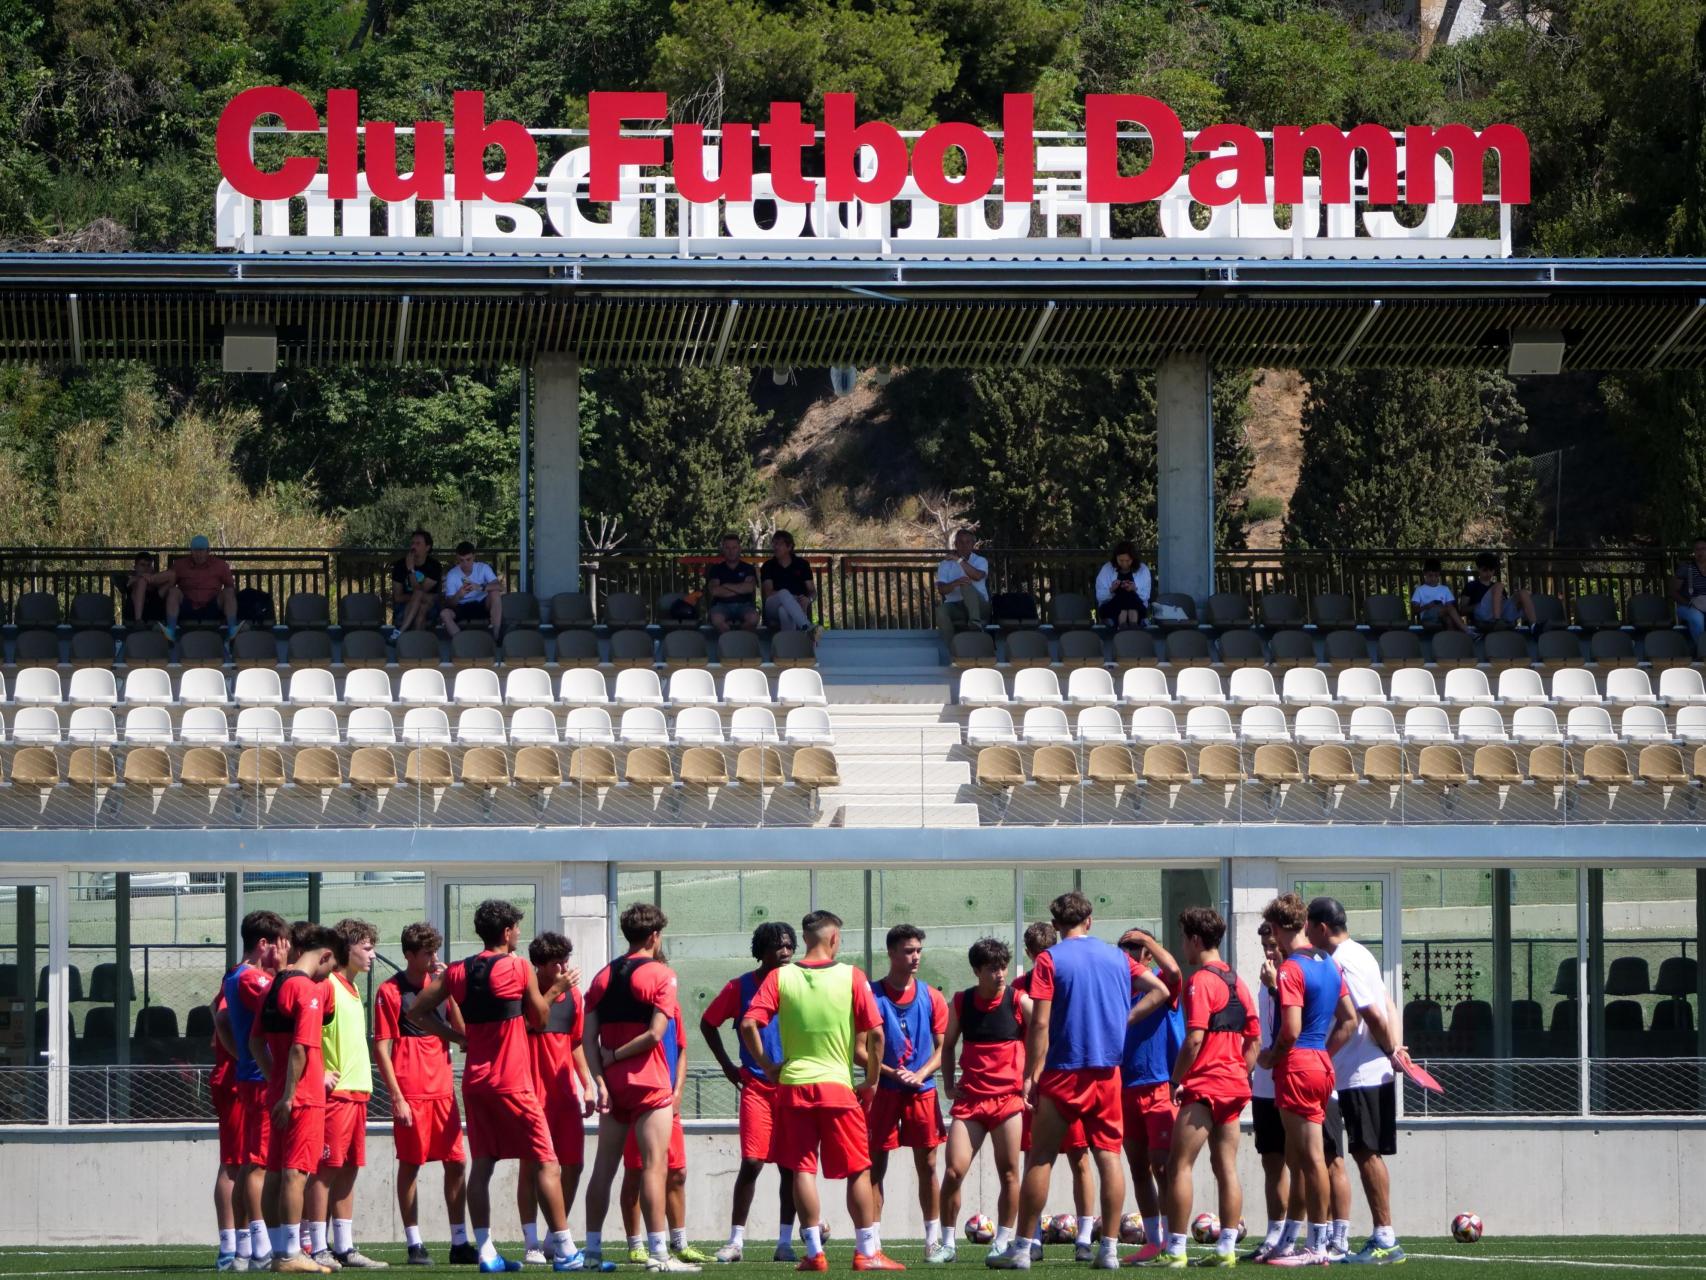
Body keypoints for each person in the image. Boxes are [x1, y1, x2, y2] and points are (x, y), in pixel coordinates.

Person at [988, 892, 1170, 1272]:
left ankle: (1022, 1250)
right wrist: (1124, 1018)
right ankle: (1109, 1250)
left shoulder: (1049, 959)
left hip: (1063, 1070)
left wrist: (1030, 1074)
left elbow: (1039, 1022)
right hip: (1107, 1072)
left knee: (1040, 1159)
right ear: (1090, 920)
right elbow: (1162, 991)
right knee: (1109, 1159)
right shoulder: (1118, 957)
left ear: (1055, 926)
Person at [408, 900, 581, 1273]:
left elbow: (416, 1012)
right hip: (513, 1083)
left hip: (475, 1083)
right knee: (547, 1164)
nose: (520, 933)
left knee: (483, 1165)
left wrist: (456, 1037)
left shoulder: (458, 970)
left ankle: (486, 1251)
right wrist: (554, 991)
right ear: (506, 932)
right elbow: (540, 1016)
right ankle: (566, 1251)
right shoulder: (518, 967)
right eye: (517, 928)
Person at [738, 910, 902, 1272]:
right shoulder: (851, 976)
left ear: (806, 937)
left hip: (794, 1086)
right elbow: (876, 1034)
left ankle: (814, 1254)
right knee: (859, 1168)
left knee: (801, 1169)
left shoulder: (781, 976)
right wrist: (872, 1081)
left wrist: (767, 1065)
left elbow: (749, 1023)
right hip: (838, 1089)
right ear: (834, 939)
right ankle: (866, 1252)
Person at [581, 903, 696, 1273]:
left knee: (603, 1170)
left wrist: (600, 1078)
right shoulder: (662, 975)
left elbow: (586, 1039)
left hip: (613, 1089)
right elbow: (655, 1035)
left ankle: (593, 1251)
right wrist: (614, 1056)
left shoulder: (602, 975)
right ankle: (660, 1255)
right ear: (654, 936)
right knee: (654, 1168)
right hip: (649, 1084)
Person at [1147, 908, 1259, 1270]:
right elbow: (1253, 1040)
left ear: (1195, 940)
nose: (1183, 947)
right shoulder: (1237, 981)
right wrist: (1239, 1074)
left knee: (1178, 1165)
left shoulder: (1200, 981)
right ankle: (1227, 1247)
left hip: (1206, 1086)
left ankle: (1175, 1249)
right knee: (1225, 1166)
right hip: (1234, 1086)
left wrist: (1176, 1081)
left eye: (1183, 939)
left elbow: (1194, 1039)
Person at [1306, 897, 1412, 1267]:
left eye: (1307, 925)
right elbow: (1387, 1002)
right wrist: (1395, 1047)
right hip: (1361, 1069)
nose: (1305, 931)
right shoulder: (1361, 954)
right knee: (1364, 1151)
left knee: (1366, 1152)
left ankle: (1385, 1236)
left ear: (1320, 927)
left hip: (1362, 1071)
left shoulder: (1342, 961)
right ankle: (1382, 1235)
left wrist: (1389, 1050)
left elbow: (1370, 1011)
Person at [1259, 895, 1357, 1268]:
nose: (1274, 941)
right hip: (1318, 1063)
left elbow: (1291, 1029)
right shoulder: (1328, 962)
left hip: (1298, 1064)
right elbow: (1348, 1019)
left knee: (1310, 1160)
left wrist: (1273, 1055)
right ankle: (1298, 1239)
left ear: (1283, 929)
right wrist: (1321, 1056)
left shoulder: (1291, 968)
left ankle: (1317, 1245)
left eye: (1273, 932)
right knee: (1304, 1159)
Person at [372, 922, 476, 1267]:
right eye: (427, 952)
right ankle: (414, 1243)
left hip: (443, 1091)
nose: (434, 958)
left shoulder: (439, 987)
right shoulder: (390, 991)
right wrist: (397, 1097)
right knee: (411, 1164)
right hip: (412, 1091)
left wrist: (449, 991)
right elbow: (382, 1049)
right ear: (409, 955)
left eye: (436, 951)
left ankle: (459, 1241)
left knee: (457, 1162)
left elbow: (461, 1034)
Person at [699, 922, 801, 1263]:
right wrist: (728, 1065)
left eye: (789, 945)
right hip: (757, 1086)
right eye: (777, 946)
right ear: (762, 951)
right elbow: (707, 1022)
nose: (785, 951)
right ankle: (736, 1241)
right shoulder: (741, 986)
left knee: (790, 1166)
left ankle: (785, 1242)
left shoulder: (799, 983)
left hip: (793, 1087)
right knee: (753, 1162)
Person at [251, 921, 341, 1276]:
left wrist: (276, 1083)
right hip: (301, 1098)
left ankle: (278, 1252)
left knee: (274, 1173)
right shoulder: (308, 990)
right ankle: (290, 1254)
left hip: (278, 1094)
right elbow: (301, 1049)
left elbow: (255, 1042)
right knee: (295, 1174)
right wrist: (290, 1095)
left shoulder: (272, 986)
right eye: (330, 968)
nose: (328, 975)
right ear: (326, 956)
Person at [938, 937, 1032, 1263]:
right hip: (971, 1101)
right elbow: (947, 1046)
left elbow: (1044, 1034)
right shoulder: (962, 1002)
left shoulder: (1021, 1002)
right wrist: (948, 1085)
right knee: (953, 1171)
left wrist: (1031, 1079)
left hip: (1007, 1101)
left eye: (1003, 966)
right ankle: (947, 1243)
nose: (1001, 973)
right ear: (977, 970)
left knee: (1009, 1173)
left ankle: (1004, 1240)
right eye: (993, 968)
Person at [1010, 922, 1096, 1264]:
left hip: (1058, 1079)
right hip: (1047, 1082)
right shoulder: (1019, 989)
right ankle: (1041, 1237)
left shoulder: (1064, 979)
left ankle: (1082, 1236)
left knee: (1071, 1158)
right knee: (1050, 1159)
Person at [304, 919, 387, 1270]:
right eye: (366, 947)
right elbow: (302, 1033)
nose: (372, 954)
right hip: (335, 1097)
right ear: (346, 949)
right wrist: (317, 1072)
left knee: (349, 1168)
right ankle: (317, 1246)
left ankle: (344, 1246)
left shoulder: (352, 990)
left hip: (358, 1093)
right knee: (325, 1170)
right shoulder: (327, 987)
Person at [865, 925, 949, 1261]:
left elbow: (943, 1048)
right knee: (874, 1165)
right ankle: (872, 1241)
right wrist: (889, 1072)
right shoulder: (872, 996)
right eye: (908, 951)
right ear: (891, 953)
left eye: (918, 951)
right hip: (884, 1090)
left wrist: (919, 1074)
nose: (915, 957)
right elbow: (858, 1049)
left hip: (922, 1091)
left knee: (928, 1164)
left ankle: (932, 1240)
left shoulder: (932, 996)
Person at [215, 911, 289, 1273]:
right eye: (279, 944)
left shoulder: (239, 976)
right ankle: (257, 1247)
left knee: (252, 1163)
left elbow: (223, 1018)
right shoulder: (250, 978)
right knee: (256, 1163)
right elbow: (286, 1002)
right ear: (264, 945)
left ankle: (247, 1247)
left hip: (254, 1077)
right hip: (259, 1081)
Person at [521, 932, 594, 1267]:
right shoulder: (526, 993)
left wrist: (588, 1084)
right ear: (540, 965)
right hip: (530, 1093)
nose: (564, 967)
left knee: (574, 1164)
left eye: (566, 960)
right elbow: (525, 1026)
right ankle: (531, 1241)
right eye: (556, 963)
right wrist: (553, 992)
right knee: (531, 1167)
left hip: (564, 1094)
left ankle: (555, 1235)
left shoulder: (574, 996)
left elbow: (575, 1042)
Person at [1113, 928, 1184, 1266]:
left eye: (1135, 947)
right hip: (1124, 1089)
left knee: (1163, 1167)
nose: (1128, 952)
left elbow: (1174, 972)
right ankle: (1153, 1242)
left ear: (1148, 954)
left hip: (1159, 1087)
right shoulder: (1116, 987)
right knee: (1139, 1168)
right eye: (1124, 946)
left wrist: (1147, 940)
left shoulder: (1160, 981)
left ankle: (1173, 1241)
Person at [618, 996, 704, 1265]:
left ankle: (679, 1243)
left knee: (677, 1173)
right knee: (636, 1172)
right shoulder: (628, 1007)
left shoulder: (672, 1007)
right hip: (639, 1100)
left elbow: (681, 1050)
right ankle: (636, 1244)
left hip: (667, 1101)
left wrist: (677, 1092)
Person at [151, 535, 242, 643]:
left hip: (211, 607)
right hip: (188, 607)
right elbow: (169, 582)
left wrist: (225, 607)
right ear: (191, 551)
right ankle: (170, 630)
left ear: (208, 551)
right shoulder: (180, 565)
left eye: (201, 550)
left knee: (229, 592)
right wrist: (148, 580)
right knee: (173, 591)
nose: (198, 554)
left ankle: (232, 630)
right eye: (195, 551)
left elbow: (230, 586)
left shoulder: (220, 565)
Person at [934, 528, 989, 657]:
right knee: (940, 611)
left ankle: (975, 623)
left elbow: (976, 576)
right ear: (955, 544)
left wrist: (958, 560)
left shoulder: (981, 561)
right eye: (961, 542)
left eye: (968, 542)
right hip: (956, 606)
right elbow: (941, 589)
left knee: (966, 585)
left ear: (973, 545)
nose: (964, 545)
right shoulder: (945, 564)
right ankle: (953, 649)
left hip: (980, 606)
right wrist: (954, 583)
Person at [439, 542, 505, 638]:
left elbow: (500, 587)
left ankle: (496, 636)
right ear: (457, 558)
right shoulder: (452, 574)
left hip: (482, 604)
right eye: (461, 560)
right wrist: (458, 595)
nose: (465, 563)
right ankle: (461, 642)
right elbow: (449, 603)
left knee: (495, 593)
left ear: (474, 557)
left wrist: (480, 587)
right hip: (462, 606)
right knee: (444, 614)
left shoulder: (482, 568)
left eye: (468, 559)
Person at [389, 530, 443, 640]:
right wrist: (421, 597)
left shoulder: (434, 566)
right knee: (420, 606)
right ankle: (417, 648)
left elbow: (421, 590)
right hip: (406, 606)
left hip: (431, 607)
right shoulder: (400, 565)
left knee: (420, 597)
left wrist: (411, 571)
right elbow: (398, 597)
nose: (413, 547)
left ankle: (400, 632)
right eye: (412, 543)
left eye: (418, 544)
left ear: (427, 547)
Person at [761, 531, 817, 636]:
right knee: (783, 593)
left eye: (779, 544)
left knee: (784, 610)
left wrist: (808, 599)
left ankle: (789, 646)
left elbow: (813, 592)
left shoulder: (802, 564)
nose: (775, 547)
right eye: (774, 543)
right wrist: (792, 599)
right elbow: (768, 593)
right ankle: (807, 626)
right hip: (772, 606)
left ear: (789, 547)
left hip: (795, 606)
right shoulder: (768, 566)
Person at [1461, 552, 1536, 630]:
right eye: (1485, 570)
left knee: (1523, 593)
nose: (1488, 573)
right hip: (1482, 616)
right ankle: (1497, 622)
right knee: (1499, 585)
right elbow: (1462, 610)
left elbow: (1504, 605)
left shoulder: (1498, 589)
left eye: (1491, 570)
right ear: (1478, 569)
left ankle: (1534, 626)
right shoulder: (1472, 586)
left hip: (1501, 613)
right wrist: (1476, 606)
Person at [707, 534, 760, 634]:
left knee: (753, 619)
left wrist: (726, 586)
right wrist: (740, 589)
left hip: (745, 605)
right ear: (723, 550)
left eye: (734, 547)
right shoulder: (716, 569)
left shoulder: (748, 568)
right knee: (716, 619)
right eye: (727, 548)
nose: (731, 551)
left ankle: (739, 637)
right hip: (721, 605)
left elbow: (749, 588)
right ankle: (729, 641)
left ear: (740, 549)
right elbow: (715, 591)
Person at [1094, 543, 1152, 629]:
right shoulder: (1107, 569)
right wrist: (1111, 590)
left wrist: (1134, 589)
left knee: (1129, 594)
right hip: (1112, 606)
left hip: (1137, 606)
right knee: (1124, 594)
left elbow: (1145, 596)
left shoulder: (1143, 570)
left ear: (1133, 559)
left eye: (1127, 561)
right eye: (1121, 560)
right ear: (1116, 558)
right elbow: (1100, 596)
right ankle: (1132, 624)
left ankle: (1123, 624)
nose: (1124, 564)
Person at [1410, 559, 1467, 632]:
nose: (1433, 578)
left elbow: (1450, 606)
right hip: (1427, 617)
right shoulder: (1419, 590)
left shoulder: (1444, 589)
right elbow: (1415, 610)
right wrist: (1428, 606)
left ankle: (1451, 639)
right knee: (1450, 609)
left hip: (1442, 616)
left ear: (1439, 574)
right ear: (1425, 574)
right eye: (1430, 575)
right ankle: (1466, 630)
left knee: (1449, 620)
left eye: (1436, 575)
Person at [1673, 538, 1706, 641]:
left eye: (1703, 549)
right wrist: (1688, 603)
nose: (1700, 552)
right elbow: (1673, 591)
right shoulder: (1686, 568)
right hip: (1688, 605)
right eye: (1697, 549)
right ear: (1694, 551)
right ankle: (1702, 650)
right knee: (1697, 618)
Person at [123, 552, 168, 626]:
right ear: (135, 567)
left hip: (155, 621)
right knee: (142, 582)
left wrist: (154, 578)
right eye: (142, 565)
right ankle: (138, 621)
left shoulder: (158, 584)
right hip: (132, 621)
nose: (146, 568)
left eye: (148, 565)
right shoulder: (132, 581)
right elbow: (125, 583)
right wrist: (140, 578)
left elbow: (172, 576)